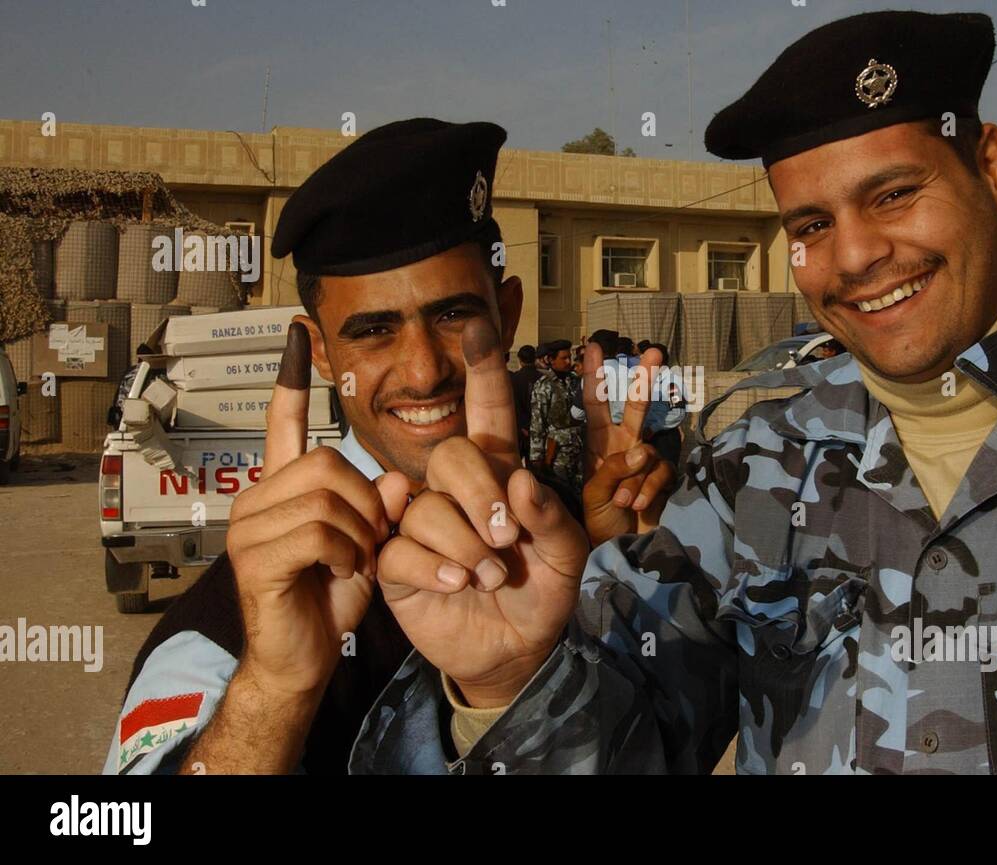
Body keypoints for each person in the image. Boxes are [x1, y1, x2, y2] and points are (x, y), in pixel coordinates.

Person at [362, 10, 997, 775]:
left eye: (893, 195)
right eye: (811, 223)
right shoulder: (743, 482)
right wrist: (512, 678)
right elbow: (627, 753)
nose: (852, 256)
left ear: (996, 171)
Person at [103, 117, 674, 775]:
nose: (424, 370)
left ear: (508, 313)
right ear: (319, 351)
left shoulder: (568, 541)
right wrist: (276, 687)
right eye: (374, 330)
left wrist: (612, 581)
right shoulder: (239, 620)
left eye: (453, 315)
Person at [528, 339, 585, 495]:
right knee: (561, 493)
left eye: (570, 358)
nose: (568, 362)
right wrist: (536, 456)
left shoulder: (574, 381)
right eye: (564, 358)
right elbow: (537, 421)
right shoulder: (544, 385)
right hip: (558, 452)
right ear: (551, 360)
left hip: (578, 448)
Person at [511, 344, 541, 458]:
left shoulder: (514, 378)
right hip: (539, 429)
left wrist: (523, 426)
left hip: (520, 429)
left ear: (520, 360)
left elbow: (514, 405)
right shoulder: (543, 378)